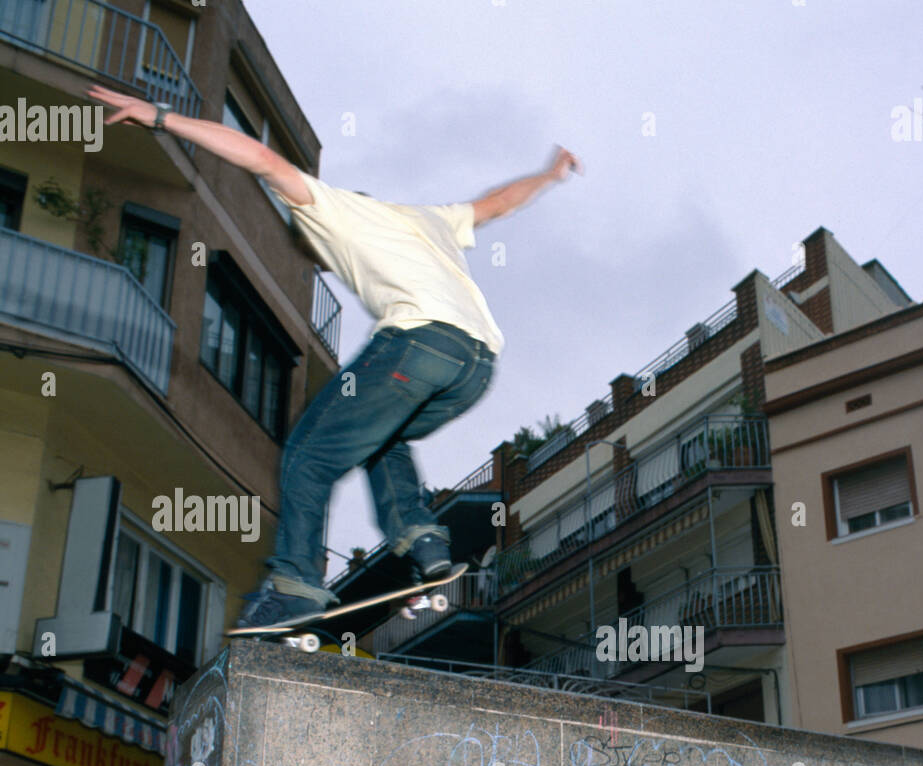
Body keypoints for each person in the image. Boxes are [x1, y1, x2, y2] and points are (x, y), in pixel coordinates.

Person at [88, 84, 581, 628]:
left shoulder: (332, 209)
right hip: (476, 364)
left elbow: (260, 157)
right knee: (380, 435)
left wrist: (159, 117)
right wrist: (551, 174)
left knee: (308, 454)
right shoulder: (429, 219)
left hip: (417, 345)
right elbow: (499, 203)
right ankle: (422, 540)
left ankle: (296, 584)